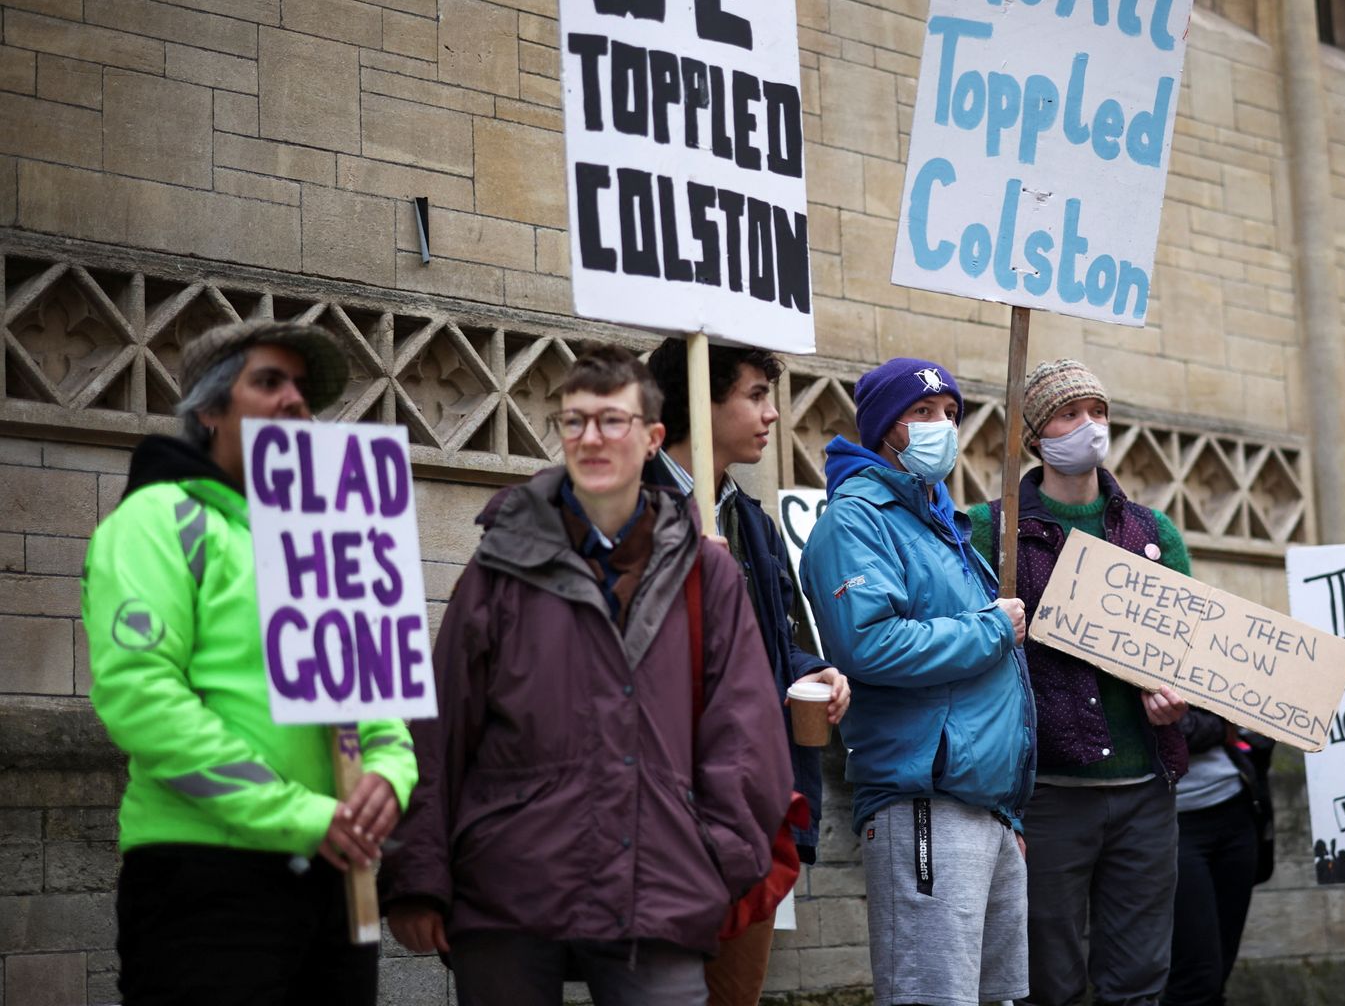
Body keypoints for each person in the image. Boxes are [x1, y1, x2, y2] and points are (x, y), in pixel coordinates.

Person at [381, 345, 793, 1006]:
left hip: (659, 886)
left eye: (613, 421)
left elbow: (746, 734)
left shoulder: (706, 569)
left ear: (654, 437)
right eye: (576, 422)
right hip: (508, 888)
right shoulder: (501, 564)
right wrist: (418, 876)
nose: (593, 438)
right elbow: (440, 728)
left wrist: (713, 864)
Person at [79, 319, 418, 1005]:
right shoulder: (154, 521)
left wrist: (391, 770)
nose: (296, 399)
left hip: (338, 880)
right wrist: (300, 815)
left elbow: (373, 686)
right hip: (206, 880)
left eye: (302, 388)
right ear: (209, 410)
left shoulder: (329, 536)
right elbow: (143, 698)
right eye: (269, 381)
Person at [798, 357, 1035, 1006]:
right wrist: (991, 630)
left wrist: (1008, 808)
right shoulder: (856, 521)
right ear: (883, 430)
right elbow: (869, 644)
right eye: (922, 414)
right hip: (924, 802)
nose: (942, 427)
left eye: (951, 414)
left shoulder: (942, 525)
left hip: (985, 809)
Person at [963, 359, 1190, 1006]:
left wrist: (1180, 704)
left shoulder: (1154, 534)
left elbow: (1195, 651)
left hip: (1146, 791)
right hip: (1047, 795)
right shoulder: (991, 531)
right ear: (1036, 435)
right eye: (1069, 414)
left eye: (1098, 412)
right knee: (1046, 977)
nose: (1088, 426)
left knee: (1139, 976)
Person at [644, 339, 851, 1006]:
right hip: (662, 810)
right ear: (697, 402)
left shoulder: (752, 524)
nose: (770, 416)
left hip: (751, 814)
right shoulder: (627, 512)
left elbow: (775, 641)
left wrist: (815, 670)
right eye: (755, 396)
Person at [1164, 710, 1274, 1006]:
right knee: (1195, 975)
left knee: (1219, 967)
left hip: (1235, 810)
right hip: (1173, 822)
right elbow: (1173, 730)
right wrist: (1223, 724)